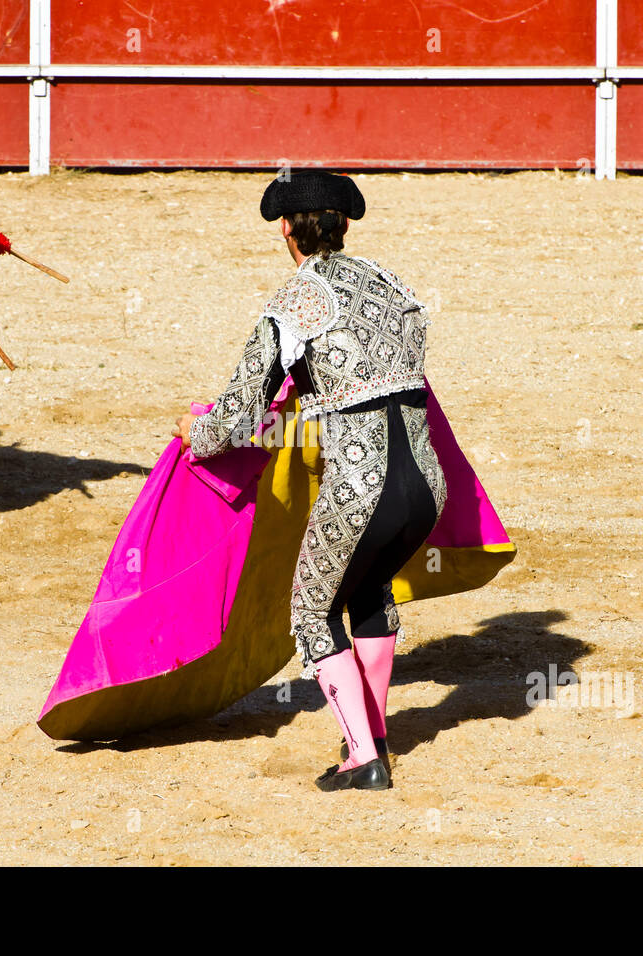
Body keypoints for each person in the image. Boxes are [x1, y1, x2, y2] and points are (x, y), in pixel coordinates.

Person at [174, 171, 445, 792]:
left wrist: (199, 437)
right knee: (371, 589)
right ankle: (374, 736)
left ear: (285, 230)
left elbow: (243, 409)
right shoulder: (388, 282)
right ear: (343, 226)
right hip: (425, 488)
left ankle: (363, 759)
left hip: (360, 488)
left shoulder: (297, 299)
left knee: (311, 611)